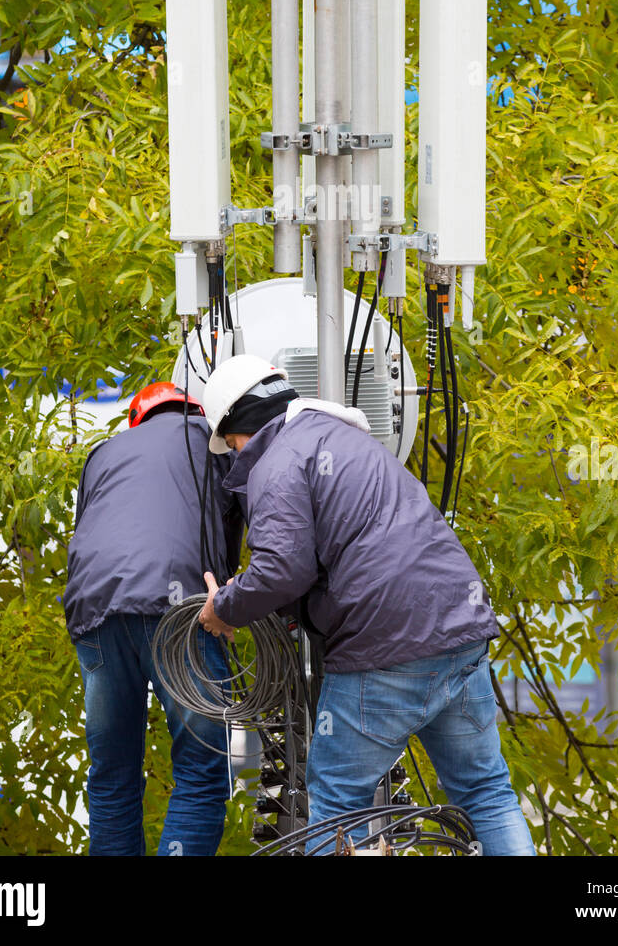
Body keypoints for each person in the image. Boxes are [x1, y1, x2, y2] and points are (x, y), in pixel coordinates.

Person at [197, 354, 535, 856]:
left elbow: (281, 570)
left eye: (230, 442)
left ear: (239, 423)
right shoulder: (346, 439)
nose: (234, 453)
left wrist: (222, 608)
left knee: (336, 806)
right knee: (486, 791)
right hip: (460, 630)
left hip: (385, 647)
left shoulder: (276, 462)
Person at [64, 381, 242, 856]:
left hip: (95, 613)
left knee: (111, 775)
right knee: (203, 769)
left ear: (136, 419)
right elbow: (235, 536)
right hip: (180, 608)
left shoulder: (103, 453)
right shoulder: (214, 440)